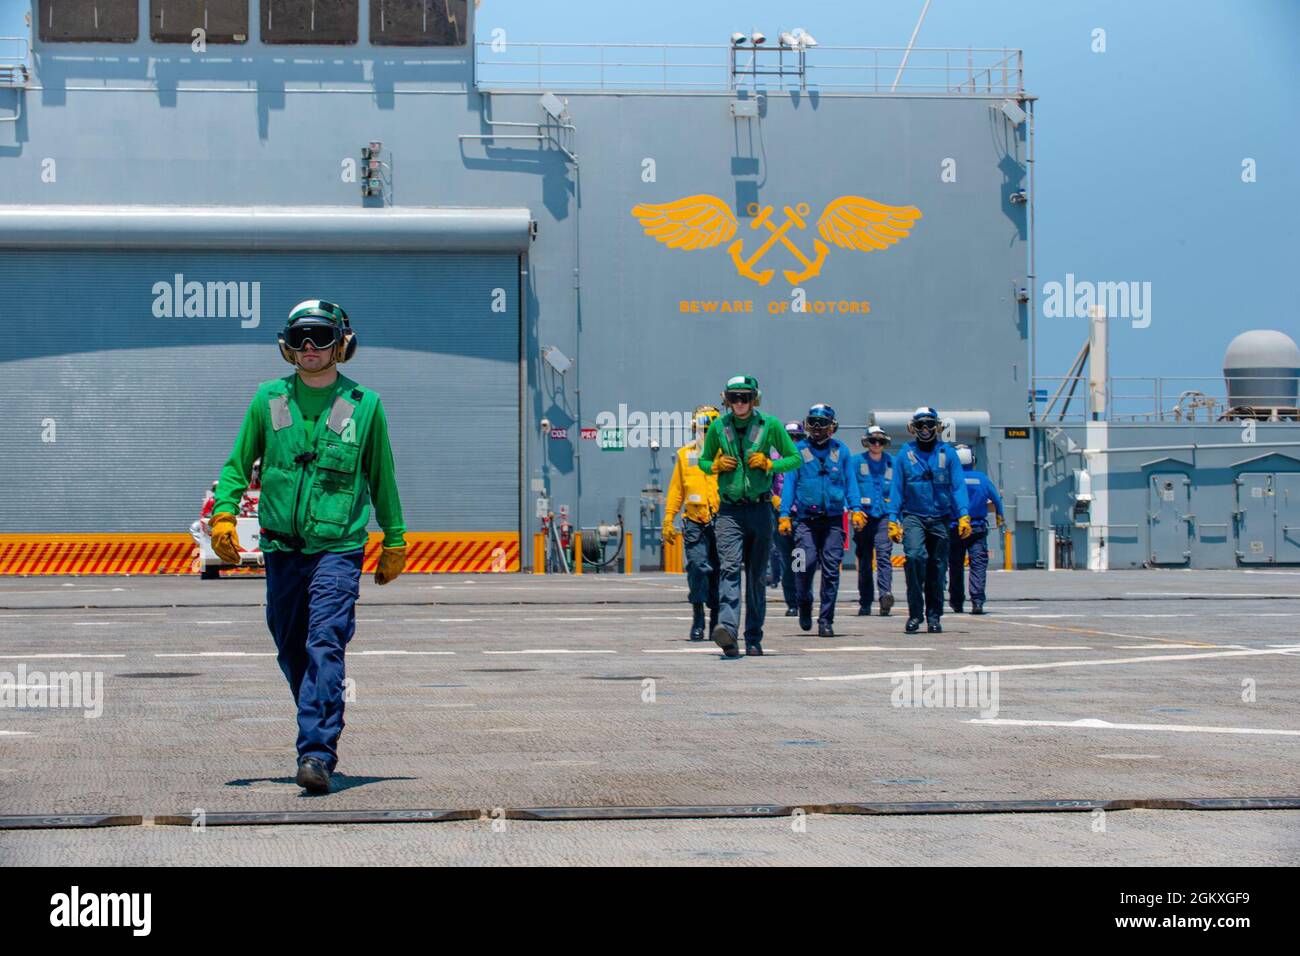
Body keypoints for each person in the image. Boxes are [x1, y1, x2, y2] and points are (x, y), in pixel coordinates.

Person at [210, 299, 407, 794]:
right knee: (290, 646)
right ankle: (318, 717)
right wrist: (224, 515)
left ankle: (316, 752)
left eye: (320, 337)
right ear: (287, 345)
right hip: (282, 549)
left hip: (338, 547)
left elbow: (382, 477)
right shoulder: (269, 401)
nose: (310, 348)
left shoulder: (364, 407)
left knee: (325, 642)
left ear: (342, 342)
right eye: (300, 339)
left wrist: (395, 539)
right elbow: (237, 465)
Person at [698, 374, 801, 658]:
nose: (740, 403)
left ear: (754, 398)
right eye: (734, 398)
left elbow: (795, 458)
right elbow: (704, 462)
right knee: (729, 569)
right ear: (727, 400)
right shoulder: (719, 427)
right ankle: (728, 632)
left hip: (760, 509)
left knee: (757, 577)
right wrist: (716, 464)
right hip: (729, 511)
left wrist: (770, 463)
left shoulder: (770, 425)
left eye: (745, 397)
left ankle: (753, 636)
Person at [779, 404, 867, 637]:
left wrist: (856, 509)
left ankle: (826, 619)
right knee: (802, 564)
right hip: (804, 521)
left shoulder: (842, 451)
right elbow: (789, 484)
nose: (817, 428)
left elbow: (851, 483)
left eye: (823, 423)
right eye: (813, 422)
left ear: (832, 427)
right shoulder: (797, 451)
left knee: (831, 571)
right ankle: (803, 601)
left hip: (834, 521)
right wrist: (784, 514)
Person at [887, 407, 971, 634]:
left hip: (941, 518)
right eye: (921, 425)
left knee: (937, 567)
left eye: (929, 425)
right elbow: (896, 488)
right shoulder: (904, 455)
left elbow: (958, 486)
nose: (925, 429)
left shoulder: (948, 454)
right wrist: (893, 518)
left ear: (937, 427)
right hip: (914, 516)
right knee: (914, 557)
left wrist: (964, 514)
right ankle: (915, 614)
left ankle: (934, 616)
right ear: (913, 428)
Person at [663, 405, 722, 641]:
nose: (705, 434)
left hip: (722, 521)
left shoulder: (728, 455)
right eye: (701, 429)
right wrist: (669, 518)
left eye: (710, 429)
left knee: (720, 572)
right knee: (697, 567)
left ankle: (716, 620)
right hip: (695, 521)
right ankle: (698, 615)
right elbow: (677, 490)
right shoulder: (685, 455)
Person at [948, 443, 1005, 615]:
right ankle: (977, 601)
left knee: (955, 565)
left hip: (954, 528)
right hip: (978, 529)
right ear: (972, 460)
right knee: (978, 565)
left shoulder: (951, 479)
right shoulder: (982, 478)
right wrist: (1000, 515)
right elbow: (996, 499)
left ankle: (957, 602)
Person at [850, 425, 896, 616]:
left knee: (884, 556)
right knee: (865, 560)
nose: (876, 445)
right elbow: (850, 486)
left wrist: (895, 518)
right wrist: (854, 510)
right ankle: (865, 601)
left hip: (883, 516)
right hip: (863, 517)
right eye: (873, 441)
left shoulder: (893, 463)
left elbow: (898, 491)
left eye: (880, 441)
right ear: (866, 442)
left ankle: (885, 594)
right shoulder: (855, 462)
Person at [769, 420, 806, 615]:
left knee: (798, 560)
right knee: (785, 559)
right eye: (789, 437)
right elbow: (765, 483)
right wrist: (773, 497)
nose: (793, 440)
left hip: (800, 515)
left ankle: (801, 599)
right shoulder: (774, 458)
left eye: (797, 437)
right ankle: (791, 602)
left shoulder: (805, 458)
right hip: (780, 516)